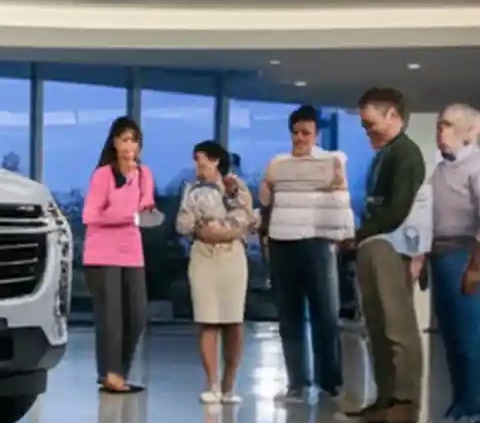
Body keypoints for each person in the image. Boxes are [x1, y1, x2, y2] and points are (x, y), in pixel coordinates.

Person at [259, 105, 356, 404]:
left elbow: (341, 200)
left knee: (325, 314)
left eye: (306, 133)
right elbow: (266, 201)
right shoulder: (278, 163)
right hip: (282, 243)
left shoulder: (331, 161)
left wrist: (344, 236)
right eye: (296, 132)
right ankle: (296, 383)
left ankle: (331, 382)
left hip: (317, 244)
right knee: (289, 317)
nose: (301, 138)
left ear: (316, 133)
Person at [345, 87, 427, 423]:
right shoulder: (385, 154)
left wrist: (359, 235)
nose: (367, 131)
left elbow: (397, 209)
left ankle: (405, 399)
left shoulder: (407, 154)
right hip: (375, 244)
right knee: (376, 326)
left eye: (371, 123)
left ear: (393, 115)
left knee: (397, 326)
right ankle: (385, 396)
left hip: (392, 245)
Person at [176, 140, 257, 404]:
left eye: (201, 159)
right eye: (196, 159)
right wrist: (201, 228)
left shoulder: (235, 186)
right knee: (207, 319)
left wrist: (220, 227)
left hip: (231, 256)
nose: (197, 165)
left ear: (215, 161)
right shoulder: (190, 189)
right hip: (202, 257)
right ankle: (211, 383)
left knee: (233, 320)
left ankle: (229, 385)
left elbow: (245, 220)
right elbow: (183, 223)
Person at [82, 116, 158, 394]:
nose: (129, 145)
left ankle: (119, 372)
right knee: (110, 318)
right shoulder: (103, 175)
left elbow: (146, 210)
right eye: (124, 139)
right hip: (102, 253)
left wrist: (145, 216)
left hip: (132, 252)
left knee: (137, 315)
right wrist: (127, 216)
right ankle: (110, 374)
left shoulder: (144, 174)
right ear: (114, 143)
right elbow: (90, 215)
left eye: (134, 140)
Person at [424, 103, 480, 423]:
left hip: (465, 255)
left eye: (447, 126)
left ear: (471, 131)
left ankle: (473, 413)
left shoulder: (477, 166)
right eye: (439, 126)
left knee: (469, 337)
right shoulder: (440, 169)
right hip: (441, 255)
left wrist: (475, 266)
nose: (440, 133)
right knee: (452, 337)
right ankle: (460, 405)